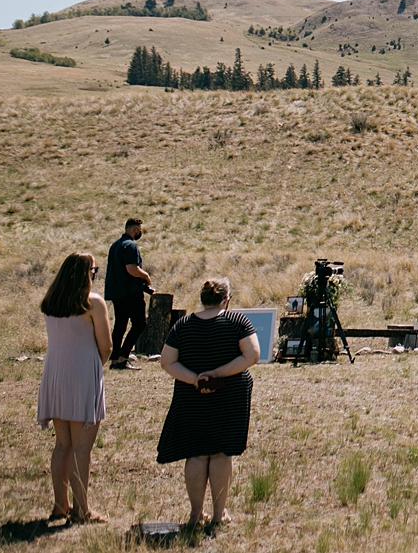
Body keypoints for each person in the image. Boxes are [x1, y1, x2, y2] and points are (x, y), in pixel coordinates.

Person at [157, 277, 260, 528]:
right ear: (226, 299)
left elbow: (167, 361)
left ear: (203, 299)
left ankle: (195, 514)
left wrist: (196, 379)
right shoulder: (237, 321)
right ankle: (218, 513)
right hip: (230, 394)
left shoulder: (183, 325)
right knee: (221, 454)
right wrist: (217, 374)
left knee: (196, 454)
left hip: (191, 396)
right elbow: (252, 355)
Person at [38, 252, 110, 525]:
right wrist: (95, 366)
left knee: (62, 444)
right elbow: (106, 346)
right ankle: (81, 510)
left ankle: (60, 505)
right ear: (85, 273)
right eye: (93, 270)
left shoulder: (53, 301)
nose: (95, 275)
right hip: (82, 376)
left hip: (55, 374)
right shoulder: (92, 302)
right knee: (82, 447)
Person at [104, 218, 152, 369]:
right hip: (130, 292)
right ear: (135, 230)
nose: (140, 233)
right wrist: (145, 276)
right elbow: (131, 269)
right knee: (139, 323)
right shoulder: (130, 245)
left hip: (116, 291)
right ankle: (123, 358)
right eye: (140, 230)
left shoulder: (115, 245)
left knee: (120, 325)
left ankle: (114, 359)